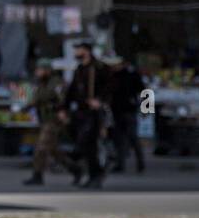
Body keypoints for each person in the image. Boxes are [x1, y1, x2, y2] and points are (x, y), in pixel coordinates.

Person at [21, 60, 81, 186]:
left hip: (54, 120)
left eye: (40, 70)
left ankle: (37, 175)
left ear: (47, 70)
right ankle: (75, 169)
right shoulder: (41, 84)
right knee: (54, 151)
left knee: (41, 147)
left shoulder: (56, 83)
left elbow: (64, 100)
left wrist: (62, 112)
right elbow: (37, 99)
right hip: (44, 119)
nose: (37, 72)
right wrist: (26, 107)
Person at [64, 42, 110, 189]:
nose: (76, 52)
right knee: (83, 145)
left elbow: (110, 87)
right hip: (81, 111)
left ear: (87, 51)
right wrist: (63, 108)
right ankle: (93, 174)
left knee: (88, 144)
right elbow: (72, 91)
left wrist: (100, 100)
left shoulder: (98, 68)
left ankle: (96, 174)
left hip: (93, 113)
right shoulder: (80, 69)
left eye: (79, 49)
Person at [106, 57, 146, 173]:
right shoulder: (112, 77)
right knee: (119, 139)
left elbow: (144, 91)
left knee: (133, 137)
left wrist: (146, 109)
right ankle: (120, 164)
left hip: (129, 111)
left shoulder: (132, 76)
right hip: (116, 111)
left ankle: (140, 163)